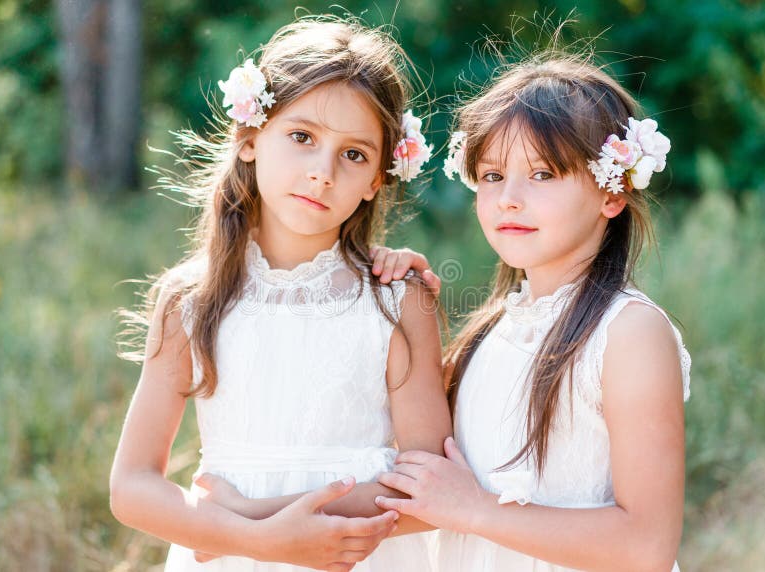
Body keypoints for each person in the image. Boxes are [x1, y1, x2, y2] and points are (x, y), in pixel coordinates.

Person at [109, 16, 450, 572]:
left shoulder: (397, 300)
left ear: (377, 179)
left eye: (354, 154)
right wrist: (262, 543)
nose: (322, 173)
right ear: (250, 139)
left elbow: (430, 488)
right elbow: (131, 487)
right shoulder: (191, 299)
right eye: (302, 137)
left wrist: (252, 520)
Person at [372, 53, 692, 571]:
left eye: (542, 174)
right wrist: (405, 302)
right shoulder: (492, 329)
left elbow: (647, 546)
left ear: (612, 193)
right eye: (492, 175)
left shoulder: (628, 332)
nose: (509, 199)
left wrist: (475, 510)